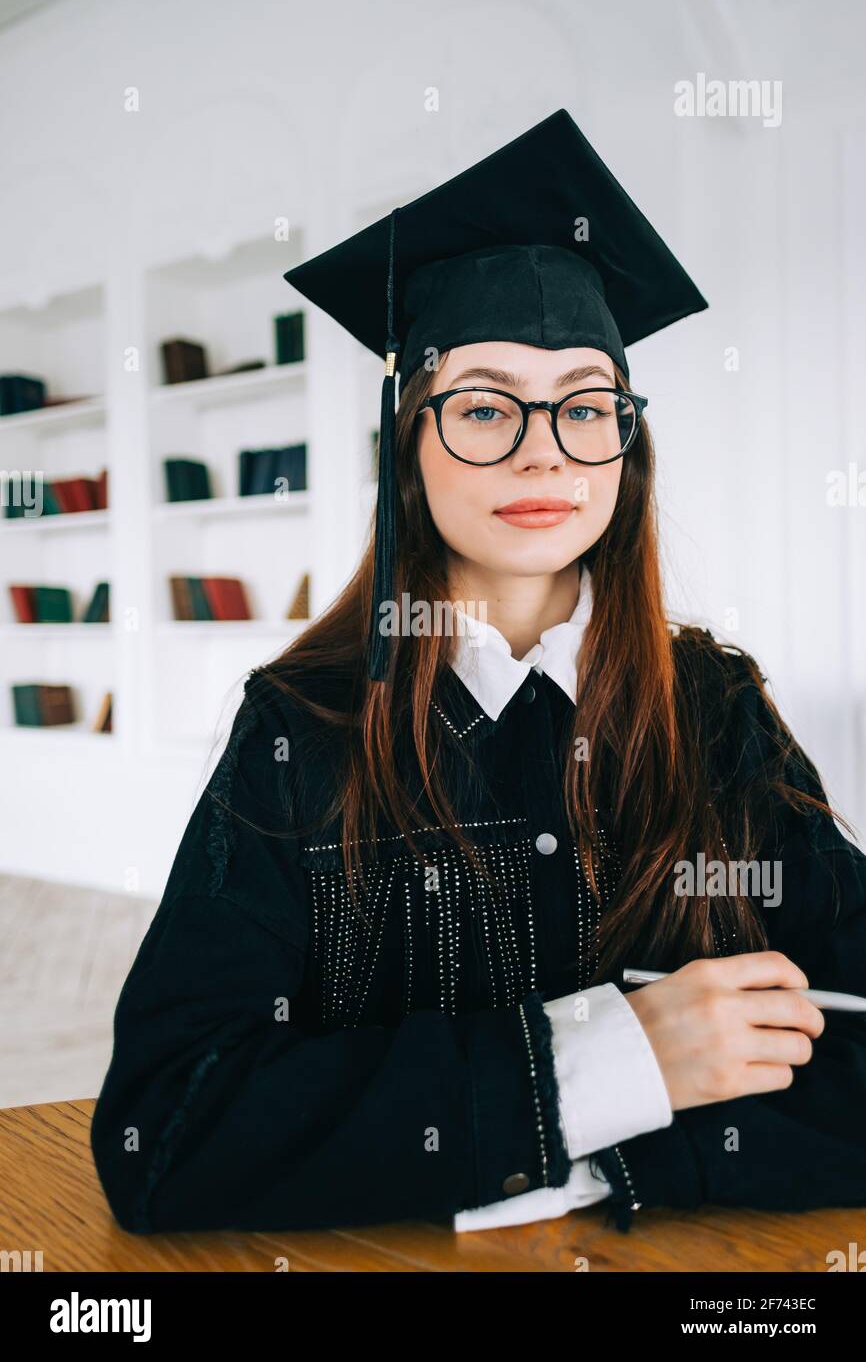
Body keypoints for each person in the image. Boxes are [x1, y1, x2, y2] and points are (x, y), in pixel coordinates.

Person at [90, 108, 866, 1236]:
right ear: (407, 441)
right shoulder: (300, 730)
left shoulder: (714, 708)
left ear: (623, 449)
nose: (543, 447)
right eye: (485, 406)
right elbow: (163, 1130)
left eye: (585, 407)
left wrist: (608, 1146)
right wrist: (598, 1070)